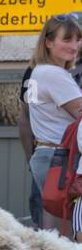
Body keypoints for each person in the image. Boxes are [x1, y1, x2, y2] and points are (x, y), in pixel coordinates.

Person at [22, 14, 82, 233]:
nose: (75, 46)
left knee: (55, 234)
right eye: (67, 39)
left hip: (50, 155)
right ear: (48, 42)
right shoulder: (54, 74)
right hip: (62, 159)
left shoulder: (40, 71)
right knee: (65, 237)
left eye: (78, 39)